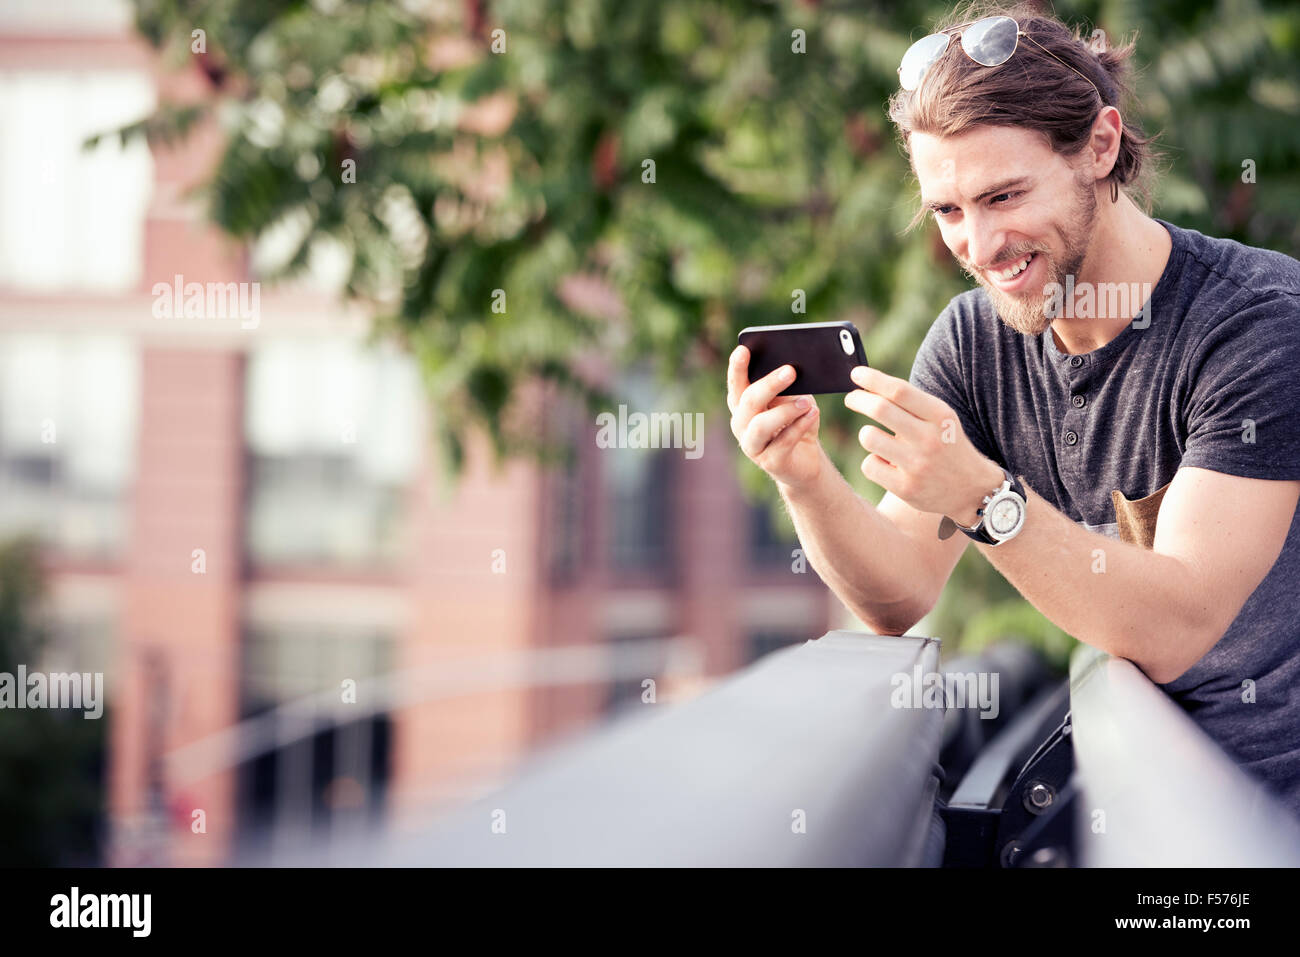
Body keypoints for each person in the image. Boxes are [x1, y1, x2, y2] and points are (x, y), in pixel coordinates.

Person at [726, 3, 1300, 815]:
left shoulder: (1256, 324)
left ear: (1101, 146)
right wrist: (802, 477)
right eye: (950, 211)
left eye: (1003, 196)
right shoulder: (974, 342)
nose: (980, 246)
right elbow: (898, 595)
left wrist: (982, 498)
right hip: (1140, 802)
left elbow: (1180, 625)